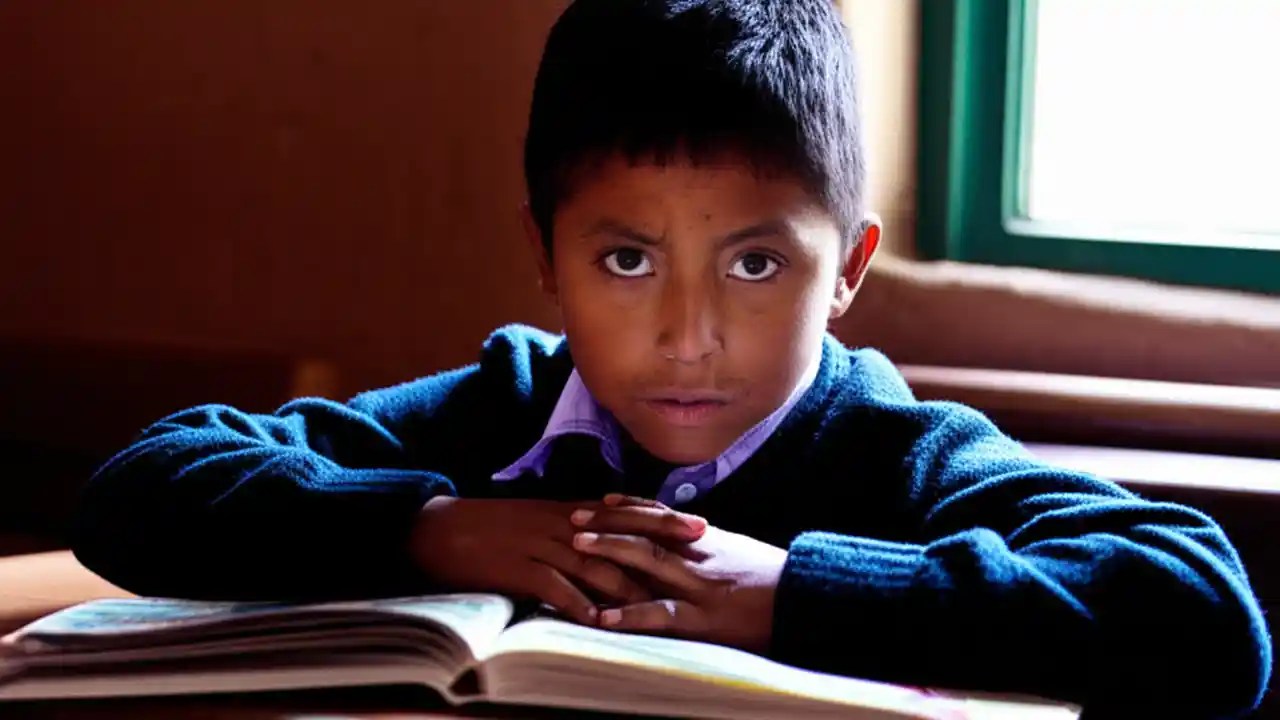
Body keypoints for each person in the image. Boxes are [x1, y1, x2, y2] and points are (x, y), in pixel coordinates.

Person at [72, 0, 1269, 715]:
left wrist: (790, 592)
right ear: (545, 254)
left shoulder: (899, 454)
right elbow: (138, 487)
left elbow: (1204, 617)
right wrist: (426, 524)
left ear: (846, 266)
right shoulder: (505, 408)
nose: (687, 335)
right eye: (627, 262)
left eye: (753, 266)